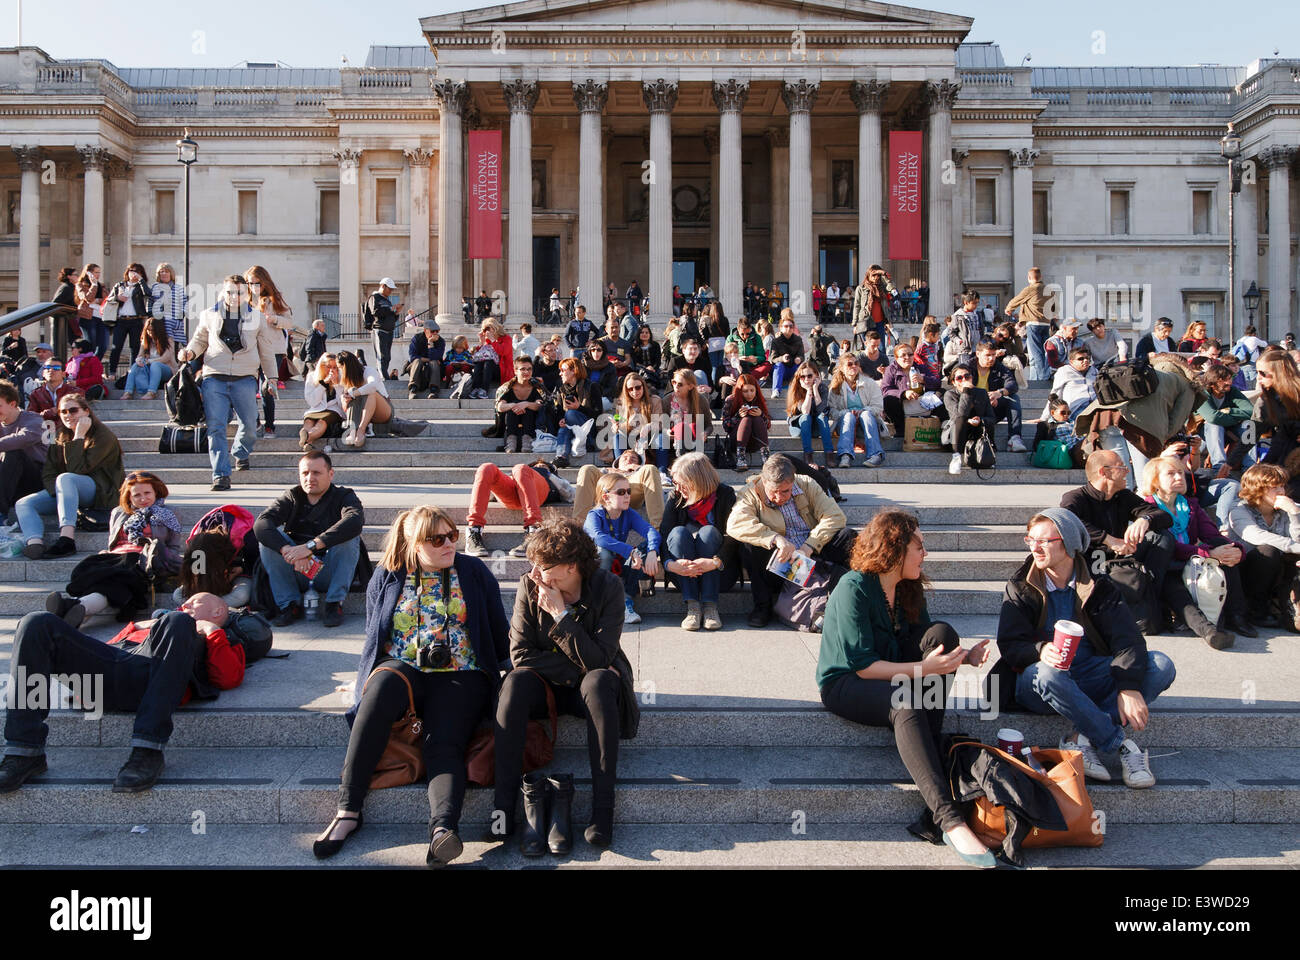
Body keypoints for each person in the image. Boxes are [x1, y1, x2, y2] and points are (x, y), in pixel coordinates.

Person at [315, 505, 510, 866]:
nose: (450, 544)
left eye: (453, 534)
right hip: (404, 664)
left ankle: (443, 830)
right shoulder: (388, 575)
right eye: (437, 539)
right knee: (376, 694)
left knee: (445, 739)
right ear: (414, 544)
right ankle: (347, 812)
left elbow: (498, 631)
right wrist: (362, 681)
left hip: (462, 670)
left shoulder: (473, 571)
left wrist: (507, 676)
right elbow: (375, 635)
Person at [818, 511, 995, 866]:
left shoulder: (908, 587)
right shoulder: (853, 587)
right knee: (907, 702)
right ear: (895, 548)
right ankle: (948, 819)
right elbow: (864, 667)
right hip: (847, 683)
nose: (924, 553)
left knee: (943, 636)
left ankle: (931, 805)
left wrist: (963, 658)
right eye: (919, 546)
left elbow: (927, 643)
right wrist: (924, 669)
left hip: (896, 673)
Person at [998, 508, 1173, 789]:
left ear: (1068, 543)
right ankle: (1118, 743)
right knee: (1048, 674)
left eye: (1044, 541)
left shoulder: (1099, 586)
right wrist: (1041, 650)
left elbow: (1129, 641)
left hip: (1090, 675)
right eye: (1030, 540)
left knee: (1161, 665)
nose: (1035, 547)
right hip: (1038, 684)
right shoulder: (1022, 586)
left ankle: (1081, 738)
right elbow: (1009, 645)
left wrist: (1128, 687)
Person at [0, 592, 242, 795]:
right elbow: (109, 650)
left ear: (218, 611)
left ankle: (147, 751)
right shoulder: (149, 626)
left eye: (195, 602)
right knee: (36, 621)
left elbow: (229, 677)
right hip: (115, 665)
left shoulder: (210, 635)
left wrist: (211, 631)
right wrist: (137, 626)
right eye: (185, 602)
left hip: (150, 676)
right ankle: (24, 751)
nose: (186, 603)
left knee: (178, 620)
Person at [493, 517, 638, 851]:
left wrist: (561, 616)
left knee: (600, 681)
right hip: (543, 687)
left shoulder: (608, 587)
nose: (533, 573)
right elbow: (520, 655)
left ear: (570, 566)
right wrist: (579, 666)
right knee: (514, 683)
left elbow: (601, 660)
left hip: (590, 691)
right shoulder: (530, 587)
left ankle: (602, 813)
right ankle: (502, 809)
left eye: (541, 566)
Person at [727, 454, 853, 627]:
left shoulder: (807, 484)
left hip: (812, 552)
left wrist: (810, 546)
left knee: (848, 536)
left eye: (785, 491)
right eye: (774, 492)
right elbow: (735, 524)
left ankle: (845, 590)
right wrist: (775, 538)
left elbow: (835, 516)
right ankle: (762, 606)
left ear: (793, 481)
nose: (779, 497)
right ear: (764, 482)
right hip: (782, 563)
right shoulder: (749, 492)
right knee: (748, 546)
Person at [179, 274, 279, 491]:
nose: (234, 296)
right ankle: (221, 475)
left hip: (245, 377)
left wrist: (271, 377)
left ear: (246, 294)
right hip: (214, 375)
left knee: (250, 425)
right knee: (215, 427)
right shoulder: (209, 314)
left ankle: (241, 451)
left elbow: (267, 352)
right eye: (230, 292)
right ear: (222, 292)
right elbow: (200, 339)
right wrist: (189, 352)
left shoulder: (258, 317)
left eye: (239, 292)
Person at [45, 471, 183, 628]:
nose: (143, 499)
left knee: (116, 578)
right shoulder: (118, 512)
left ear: (156, 491)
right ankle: (79, 610)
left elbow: (173, 547)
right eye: (137, 495)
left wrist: (163, 563)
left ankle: (74, 607)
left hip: (142, 558)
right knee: (103, 575)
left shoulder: (169, 513)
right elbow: (113, 542)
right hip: (115, 558)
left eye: (147, 493)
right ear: (129, 497)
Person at [1142, 456, 1248, 646]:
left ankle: (1237, 616)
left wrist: (1236, 549)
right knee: (1176, 590)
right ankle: (1209, 632)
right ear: (1155, 480)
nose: (1179, 477)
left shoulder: (1190, 504)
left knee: (1222, 550)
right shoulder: (1147, 507)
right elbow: (1169, 547)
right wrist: (1207, 553)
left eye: (1181, 472)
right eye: (1171, 473)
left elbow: (1211, 534)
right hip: (1164, 567)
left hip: (1191, 561)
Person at [253, 451, 364, 629]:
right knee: (268, 539)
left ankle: (334, 604)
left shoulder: (344, 496)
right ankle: (289, 605)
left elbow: (355, 520)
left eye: (316, 473)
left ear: (331, 474)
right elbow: (261, 524)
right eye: (305, 473)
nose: (310, 478)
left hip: (330, 571)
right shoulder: (292, 496)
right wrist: (288, 551)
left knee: (349, 537)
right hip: (297, 568)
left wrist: (310, 547)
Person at [16, 393, 123, 560]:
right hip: (66, 490)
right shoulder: (59, 434)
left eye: (73, 410)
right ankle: (34, 543)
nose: (68, 416)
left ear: (86, 411)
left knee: (66, 478)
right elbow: (49, 471)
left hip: (100, 491)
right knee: (24, 503)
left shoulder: (103, 436)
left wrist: (79, 436)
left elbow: (77, 469)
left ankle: (67, 539)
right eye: (62, 412)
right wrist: (59, 494)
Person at [659, 452, 740, 631]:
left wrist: (715, 561)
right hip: (683, 571)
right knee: (678, 532)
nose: (678, 488)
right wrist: (670, 564)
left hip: (719, 571)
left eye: (682, 484)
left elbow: (735, 535)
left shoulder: (725, 494)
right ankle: (693, 606)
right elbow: (664, 535)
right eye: (675, 483)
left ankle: (710, 607)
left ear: (697, 480)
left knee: (709, 532)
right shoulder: (676, 496)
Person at [1223, 463, 1300, 631]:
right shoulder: (1239, 509)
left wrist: (1294, 514)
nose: (1281, 491)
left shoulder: (1287, 509)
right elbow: (1255, 536)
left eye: (1282, 486)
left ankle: (1288, 605)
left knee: (1291, 557)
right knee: (1267, 550)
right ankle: (1256, 610)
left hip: (1276, 572)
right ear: (1258, 489)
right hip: (1245, 573)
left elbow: (1298, 539)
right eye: (1274, 487)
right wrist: (1296, 547)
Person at [584, 471, 662, 624]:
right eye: (621, 492)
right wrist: (630, 551)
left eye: (629, 491)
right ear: (606, 497)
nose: (627, 496)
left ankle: (626, 601)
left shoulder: (629, 514)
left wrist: (653, 551)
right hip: (596, 566)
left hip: (619, 561)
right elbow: (599, 537)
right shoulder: (594, 515)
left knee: (646, 549)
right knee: (604, 553)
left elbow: (650, 531)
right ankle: (596, 603)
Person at [336, 350, 427, 448]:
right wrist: (346, 399)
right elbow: (344, 407)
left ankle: (361, 431)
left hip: (383, 410)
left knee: (370, 393)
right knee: (351, 391)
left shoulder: (368, 371)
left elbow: (373, 386)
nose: (339, 371)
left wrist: (353, 393)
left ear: (346, 367)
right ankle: (352, 431)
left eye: (340, 368)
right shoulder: (344, 380)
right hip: (360, 411)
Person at [572, 449, 666, 529]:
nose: (629, 460)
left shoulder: (641, 472)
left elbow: (646, 472)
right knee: (587, 468)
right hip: (606, 488)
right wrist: (613, 472)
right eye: (625, 458)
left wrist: (637, 468)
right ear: (617, 463)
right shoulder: (605, 470)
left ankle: (658, 530)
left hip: (630, 489)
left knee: (650, 468)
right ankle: (579, 528)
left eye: (633, 458)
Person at [0, 379, 48, 519]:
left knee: (14, 452)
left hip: (36, 479)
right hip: (8, 483)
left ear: (12, 404)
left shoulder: (33, 419)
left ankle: (1, 514)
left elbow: (26, 437)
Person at [968, 338, 1027, 453]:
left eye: (994, 355)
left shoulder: (998, 367)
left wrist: (999, 393)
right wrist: (984, 400)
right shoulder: (968, 367)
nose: (991, 358)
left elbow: (1012, 384)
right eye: (987, 355)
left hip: (992, 409)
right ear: (978, 354)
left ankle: (1014, 438)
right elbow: (962, 390)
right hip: (973, 410)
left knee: (1013, 399)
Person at [828, 353, 885, 469]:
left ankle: (875, 455)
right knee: (848, 416)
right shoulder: (835, 387)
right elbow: (831, 410)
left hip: (868, 423)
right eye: (849, 364)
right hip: (846, 424)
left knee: (866, 414)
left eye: (856, 363)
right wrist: (845, 413)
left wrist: (864, 410)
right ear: (842, 368)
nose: (854, 366)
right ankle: (845, 455)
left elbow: (878, 406)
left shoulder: (869, 383)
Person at [1197, 361, 1254, 475]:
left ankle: (1250, 468)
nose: (1229, 382)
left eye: (1229, 378)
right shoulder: (1202, 393)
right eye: (1223, 380)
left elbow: (1250, 411)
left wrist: (1229, 410)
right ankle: (1219, 467)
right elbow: (1212, 417)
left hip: (1230, 430)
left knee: (1249, 425)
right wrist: (1235, 418)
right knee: (1214, 425)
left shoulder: (1232, 391)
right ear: (1212, 384)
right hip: (1205, 432)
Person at [881, 341, 943, 439]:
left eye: (910, 354)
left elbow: (937, 382)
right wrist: (904, 393)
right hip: (902, 404)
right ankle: (901, 432)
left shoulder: (921, 367)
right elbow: (886, 389)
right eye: (903, 355)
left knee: (942, 393)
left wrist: (923, 379)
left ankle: (940, 428)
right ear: (897, 358)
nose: (907, 358)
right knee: (888, 400)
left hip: (922, 401)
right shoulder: (891, 369)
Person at [548, 357, 601, 469]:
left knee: (571, 414)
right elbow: (558, 412)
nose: (560, 373)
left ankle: (588, 442)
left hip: (588, 429)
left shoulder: (591, 386)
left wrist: (579, 408)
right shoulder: (560, 388)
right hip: (571, 429)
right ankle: (561, 457)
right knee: (564, 428)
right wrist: (560, 420)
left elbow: (598, 414)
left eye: (563, 370)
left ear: (574, 371)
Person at [943, 361, 993, 476]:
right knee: (960, 420)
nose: (964, 380)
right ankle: (956, 457)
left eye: (967, 376)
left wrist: (980, 420)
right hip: (956, 434)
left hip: (977, 431)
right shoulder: (949, 395)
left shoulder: (981, 393)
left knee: (986, 422)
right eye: (959, 378)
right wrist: (966, 392)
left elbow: (991, 417)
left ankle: (988, 453)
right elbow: (959, 415)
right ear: (954, 382)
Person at [1004, 266, 1052, 380]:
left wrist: (1009, 308)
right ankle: (1035, 377)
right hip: (1046, 323)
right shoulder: (1049, 290)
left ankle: (1042, 377)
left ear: (1029, 278)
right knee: (1043, 350)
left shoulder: (1031, 288)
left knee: (1036, 351)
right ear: (1041, 277)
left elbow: (1017, 299)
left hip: (1034, 323)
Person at [106, 262, 152, 378]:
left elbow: (148, 293)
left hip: (136, 320)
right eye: (132, 271)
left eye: (137, 271)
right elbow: (109, 299)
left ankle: (132, 372)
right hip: (121, 320)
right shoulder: (120, 285)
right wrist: (117, 297)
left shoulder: (141, 286)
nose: (134, 274)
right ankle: (112, 372)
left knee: (135, 347)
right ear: (128, 272)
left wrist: (141, 280)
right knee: (116, 346)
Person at [662, 368, 714, 467]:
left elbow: (709, 425)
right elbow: (662, 425)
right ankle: (681, 463)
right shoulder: (667, 400)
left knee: (694, 426)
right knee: (681, 427)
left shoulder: (701, 400)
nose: (676, 386)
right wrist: (666, 431)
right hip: (675, 440)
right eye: (674, 382)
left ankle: (697, 464)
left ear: (690, 386)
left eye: (680, 384)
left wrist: (705, 433)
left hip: (694, 437)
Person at [721, 373, 771, 472]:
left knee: (757, 418)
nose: (749, 394)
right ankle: (741, 458)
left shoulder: (759, 400)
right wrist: (738, 416)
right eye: (745, 391)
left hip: (755, 442)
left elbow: (768, 425)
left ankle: (766, 458)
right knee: (746, 419)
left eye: (752, 390)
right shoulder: (731, 400)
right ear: (740, 391)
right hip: (736, 442)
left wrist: (761, 414)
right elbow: (725, 426)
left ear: (756, 389)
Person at [495, 355, 545, 453]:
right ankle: (511, 443)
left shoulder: (537, 387)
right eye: (522, 369)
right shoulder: (508, 387)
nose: (526, 372)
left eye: (529, 369)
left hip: (532, 425)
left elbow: (540, 405)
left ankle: (527, 442)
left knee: (529, 409)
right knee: (512, 410)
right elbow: (500, 407)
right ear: (515, 371)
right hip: (511, 423)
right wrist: (514, 405)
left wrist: (526, 404)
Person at [121, 316, 177, 401]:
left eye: (152, 330)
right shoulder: (146, 341)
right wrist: (139, 360)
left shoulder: (168, 340)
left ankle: (151, 392)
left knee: (156, 365)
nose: (150, 333)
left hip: (167, 370)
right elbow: (139, 355)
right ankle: (128, 392)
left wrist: (148, 361)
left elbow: (165, 358)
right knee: (135, 366)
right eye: (148, 330)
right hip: (150, 370)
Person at [299, 353, 345, 452]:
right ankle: (308, 442)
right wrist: (323, 384)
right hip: (316, 408)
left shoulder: (341, 377)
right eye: (328, 367)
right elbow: (312, 401)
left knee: (322, 422)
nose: (331, 370)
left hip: (333, 409)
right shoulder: (312, 376)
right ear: (321, 366)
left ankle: (306, 439)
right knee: (309, 421)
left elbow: (342, 403)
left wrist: (337, 385)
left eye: (334, 367)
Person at [1033, 395, 1087, 469]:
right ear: (1052, 413)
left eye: (1068, 413)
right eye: (1063, 412)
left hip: (1081, 446)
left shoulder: (1073, 422)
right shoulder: (1045, 425)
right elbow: (1037, 445)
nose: (1066, 415)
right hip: (1067, 451)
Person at [363, 278, 402, 380]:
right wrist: (390, 309)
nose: (391, 291)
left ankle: (381, 377)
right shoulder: (374, 297)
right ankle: (384, 378)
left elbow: (391, 317)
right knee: (382, 356)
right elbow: (375, 312)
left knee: (387, 357)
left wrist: (396, 312)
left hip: (389, 331)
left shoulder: (387, 301)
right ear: (383, 286)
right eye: (389, 288)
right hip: (379, 330)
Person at [852, 265, 893, 349]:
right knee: (869, 348)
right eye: (873, 275)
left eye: (878, 275)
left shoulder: (883, 288)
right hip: (865, 321)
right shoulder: (861, 288)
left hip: (880, 322)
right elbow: (857, 306)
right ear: (868, 275)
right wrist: (855, 324)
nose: (876, 277)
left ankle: (882, 363)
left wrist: (884, 275)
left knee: (881, 349)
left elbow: (891, 288)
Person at [768, 311, 806, 399]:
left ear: (793, 328)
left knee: (802, 366)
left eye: (791, 326)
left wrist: (799, 359)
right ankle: (776, 390)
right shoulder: (776, 341)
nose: (788, 328)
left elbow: (802, 355)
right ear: (781, 328)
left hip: (793, 367)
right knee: (779, 365)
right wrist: (782, 358)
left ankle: (800, 391)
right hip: (782, 369)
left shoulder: (798, 339)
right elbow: (772, 358)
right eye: (786, 326)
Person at [150, 262, 188, 347]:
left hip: (174, 324)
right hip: (159, 324)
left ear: (171, 274)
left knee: (173, 349)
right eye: (161, 271)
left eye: (167, 271)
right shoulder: (154, 288)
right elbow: (150, 304)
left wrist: (179, 318)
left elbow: (185, 305)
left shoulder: (178, 288)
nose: (164, 274)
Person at [405, 320, 444, 399]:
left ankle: (434, 390)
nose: (435, 333)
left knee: (434, 363)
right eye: (433, 331)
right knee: (417, 361)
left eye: (437, 331)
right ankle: (413, 389)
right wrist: (428, 359)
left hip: (432, 370)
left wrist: (430, 343)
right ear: (425, 330)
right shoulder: (417, 338)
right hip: (416, 368)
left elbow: (436, 357)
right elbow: (412, 357)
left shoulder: (441, 341)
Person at [631, 323, 664, 391]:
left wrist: (652, 368)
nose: (644, 334)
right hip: (640, 369)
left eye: (647, 332)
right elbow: (635, 362)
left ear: (650, 334)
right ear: (639, 334)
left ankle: (650, 387)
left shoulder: (655, 345)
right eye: (642, 332)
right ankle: (649, 387)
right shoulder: (635, 346)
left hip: (654, 369)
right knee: (643, 374)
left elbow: (658, 361)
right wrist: (646, 368)